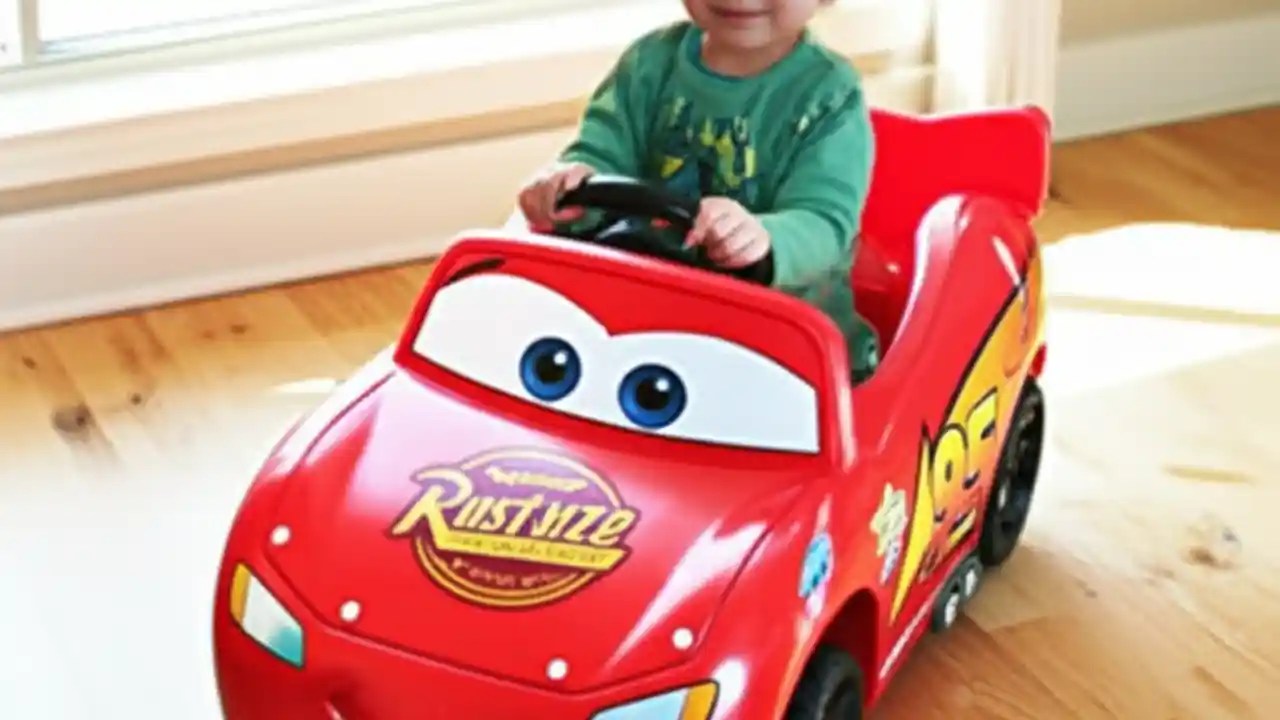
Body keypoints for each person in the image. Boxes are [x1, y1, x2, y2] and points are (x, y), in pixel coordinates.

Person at [517, 0, 881, 382]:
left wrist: (765, 238)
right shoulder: (650, 64)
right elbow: (599, 153)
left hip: (785, 351)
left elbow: (824, 221)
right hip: (652, 322)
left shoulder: (830, 95)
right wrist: (566, 186)